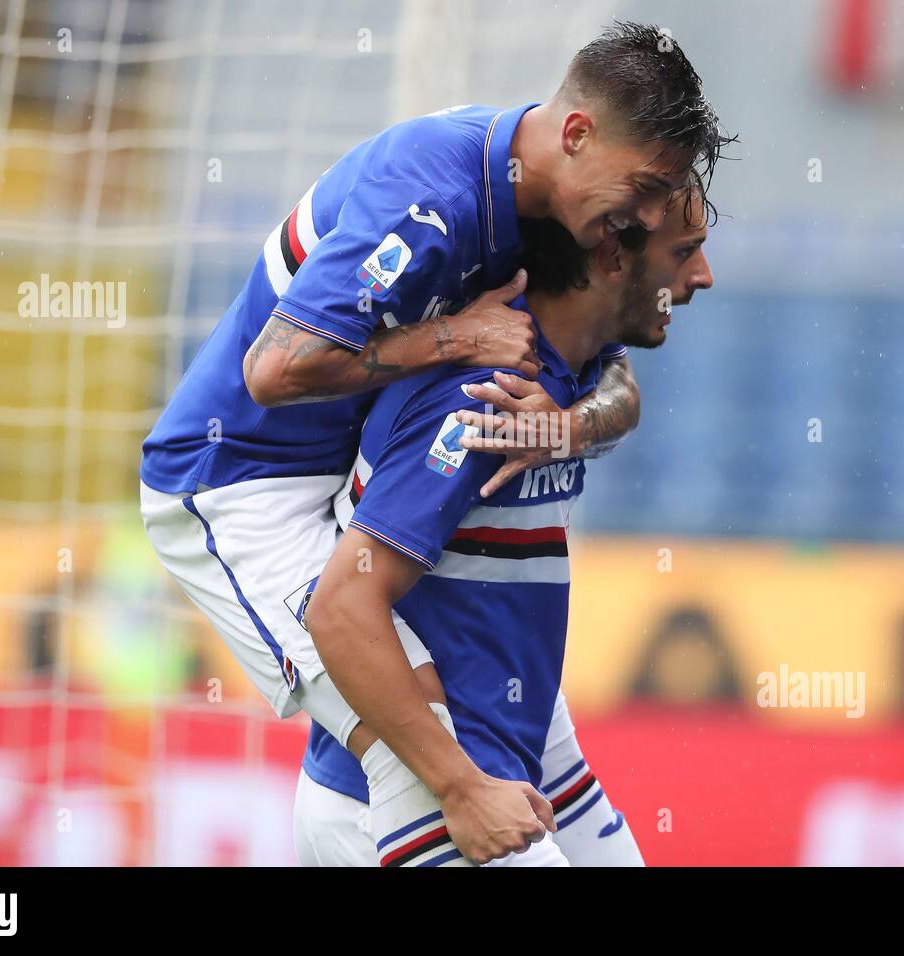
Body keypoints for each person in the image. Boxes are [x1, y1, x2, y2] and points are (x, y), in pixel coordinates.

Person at [139, 21, 728, 863]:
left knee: (502, 722)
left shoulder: (554, 206)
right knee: (413, 732)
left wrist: (564, 428)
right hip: (238, 484)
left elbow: (616, 377)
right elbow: (273, 370)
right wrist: (455, 338)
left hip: (340, 469)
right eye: (646, 188)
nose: (646, 218)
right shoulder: (435, 198)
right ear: (576, 134)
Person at [297, 180, 714, 865]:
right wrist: (458, 788)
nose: (702, 276)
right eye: (685, 251)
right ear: (612, 256)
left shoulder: (573, 368)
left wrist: (572, 429)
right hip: (419, 802)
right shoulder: (484, 401)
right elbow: (338, 606)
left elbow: (621, 397)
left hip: (515, 766)